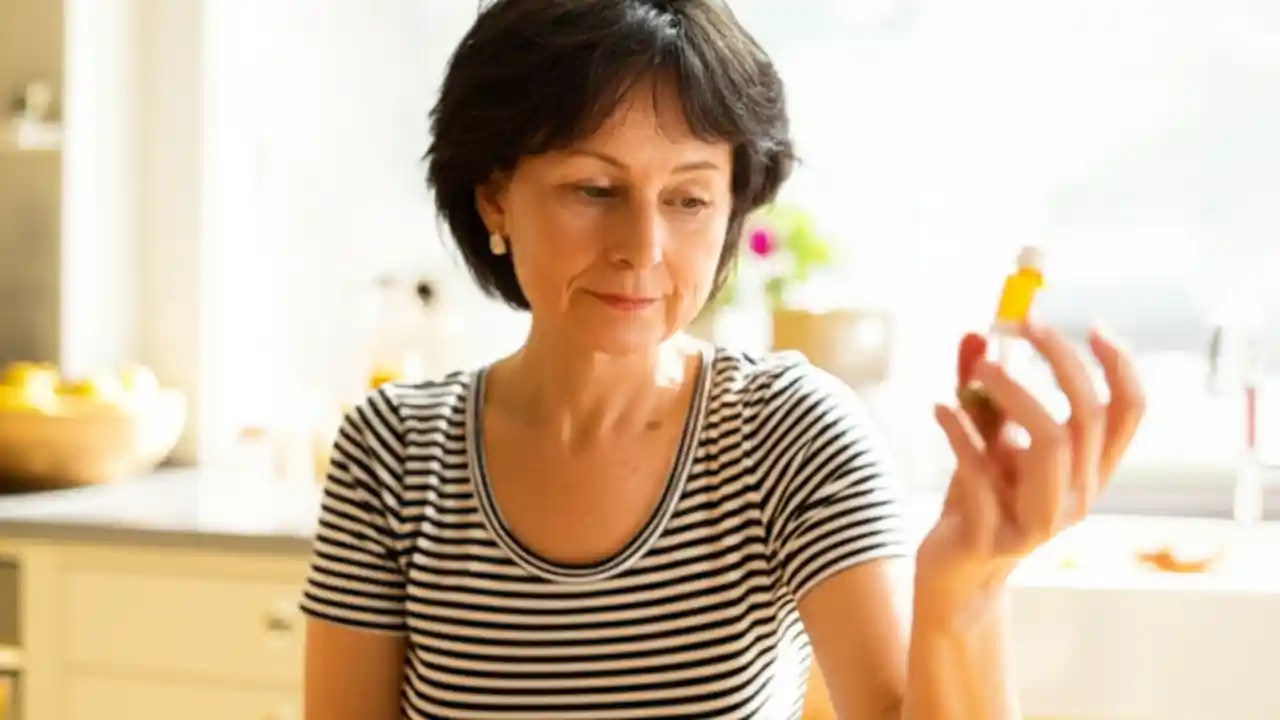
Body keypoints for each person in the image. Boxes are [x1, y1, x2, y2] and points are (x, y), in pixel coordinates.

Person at [300, 1, 1146, 718]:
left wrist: (972, 578)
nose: (644, 247)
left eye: (690, 198)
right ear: (494, 197)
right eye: (595, 190)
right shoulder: (395, 453)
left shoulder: (787, 433)